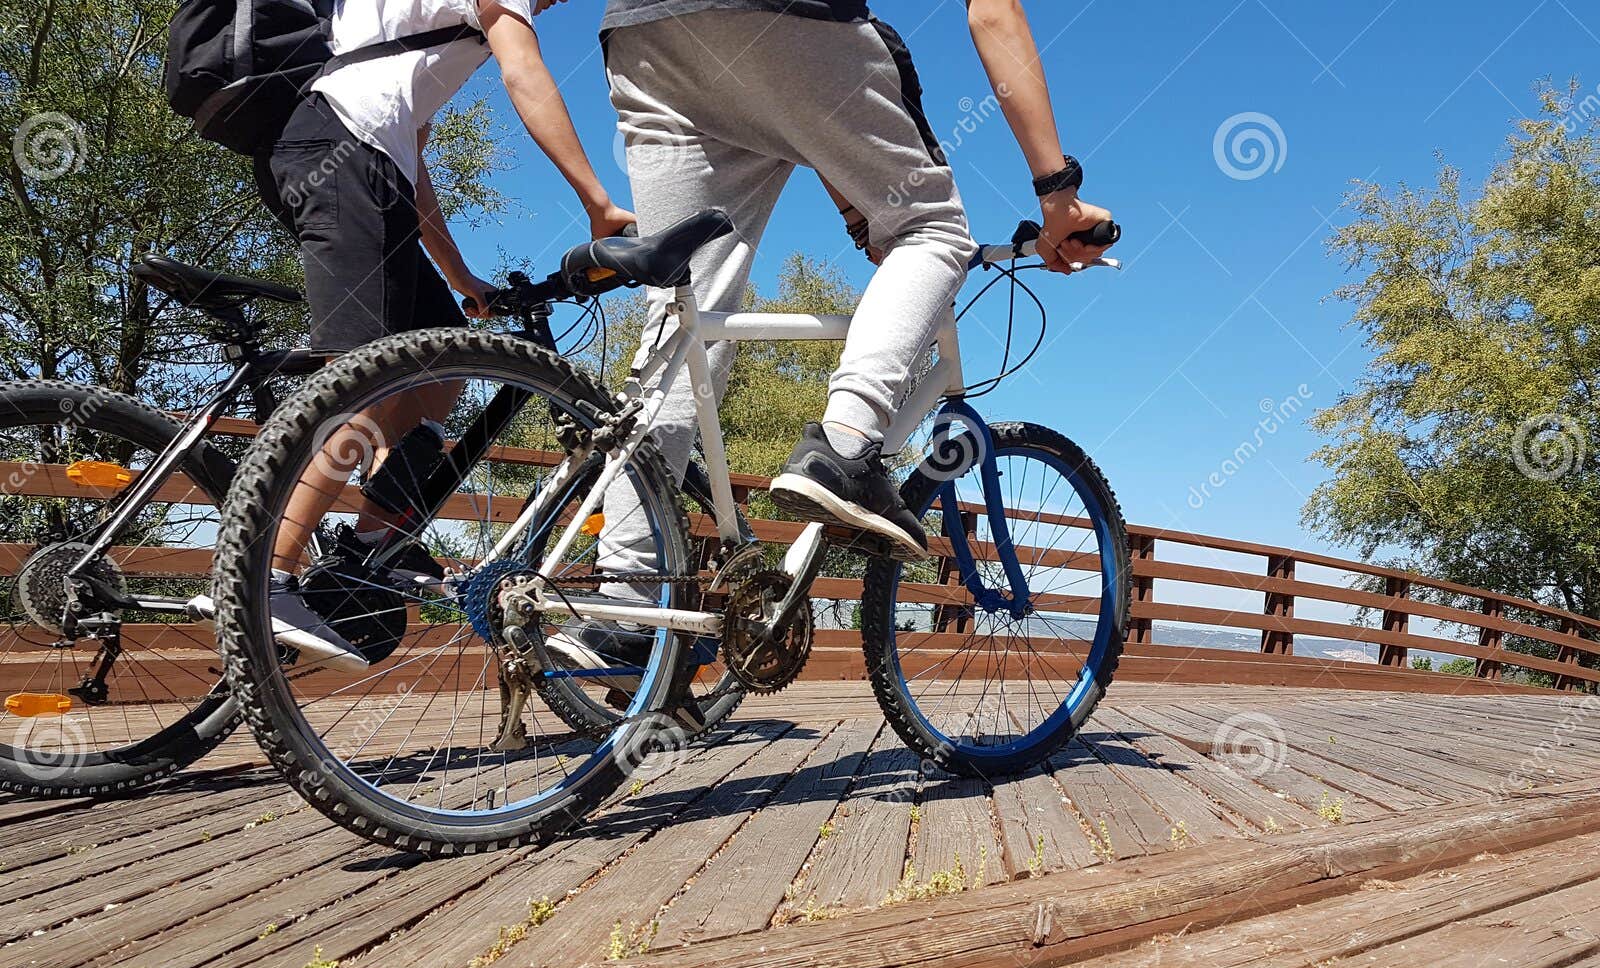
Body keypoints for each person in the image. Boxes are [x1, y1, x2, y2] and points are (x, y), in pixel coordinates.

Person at [588, 0, 1116, 659]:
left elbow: (809, 122)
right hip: (779, 14)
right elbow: (993, 12)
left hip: (643, 35)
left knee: (683, 314)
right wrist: (1058, 192)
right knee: (935, 232)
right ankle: (842, 448)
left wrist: (864, 217)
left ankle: (626, 605)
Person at [195, 0, 634, 666]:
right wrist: (599, 206)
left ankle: (369, 543)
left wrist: (461, 276)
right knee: (367, 380)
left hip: (360, 161)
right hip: (339, 151)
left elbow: (412, 161)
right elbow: (525, 73)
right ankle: (267, 578)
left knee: (440, 366)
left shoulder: (405, 43)